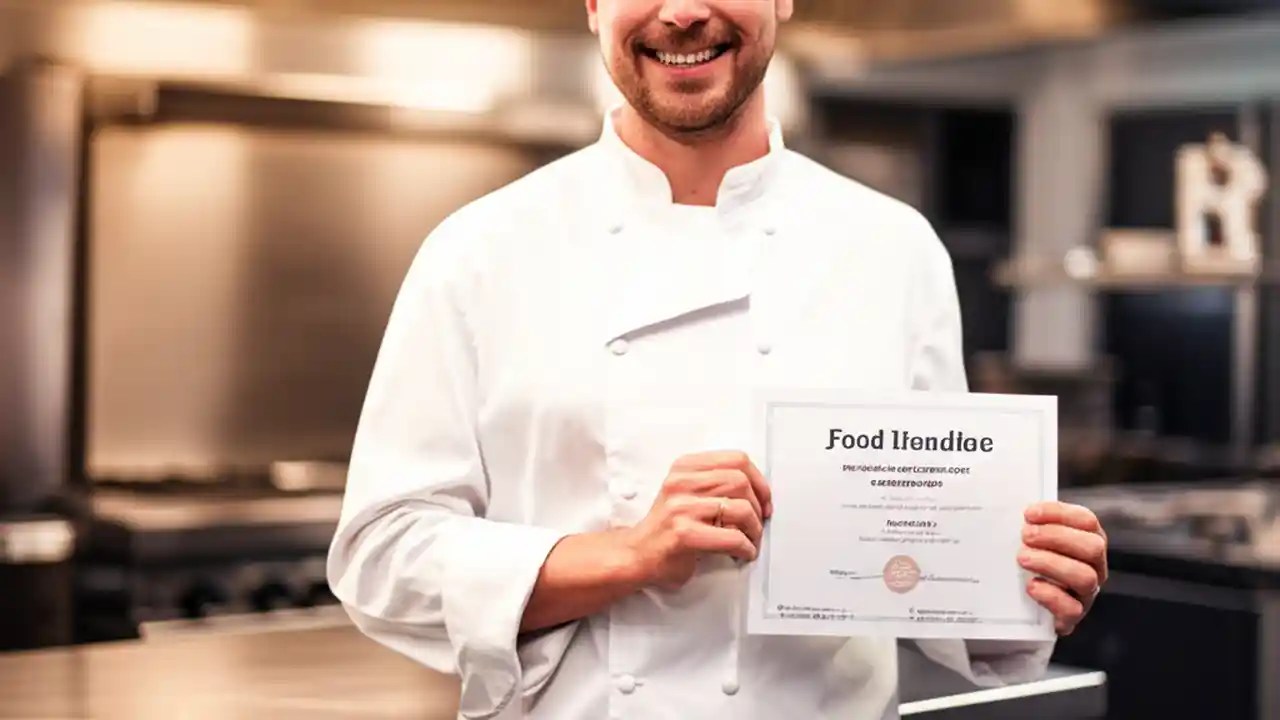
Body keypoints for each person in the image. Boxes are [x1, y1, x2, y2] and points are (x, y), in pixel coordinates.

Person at [326, 1, 1110, 718]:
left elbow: (929, 559)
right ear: (595, 3)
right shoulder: (479, 252)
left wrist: (1025, 583)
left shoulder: (893, 250)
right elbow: (382, 555)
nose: (684, 11)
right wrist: (626, 556)